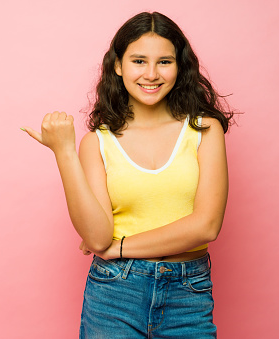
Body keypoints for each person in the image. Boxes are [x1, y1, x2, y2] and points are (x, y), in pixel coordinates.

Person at [22, 11, 234, 338]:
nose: (151, 74)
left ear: (180, 66)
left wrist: (120, 247)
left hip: (187, 291)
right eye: (138, 61)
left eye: (164, 61)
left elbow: (206, 225)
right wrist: (64, 152)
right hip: (114, 290)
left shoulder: (204, 129)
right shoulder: (97, 143)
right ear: (118, 66)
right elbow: (96, 238)